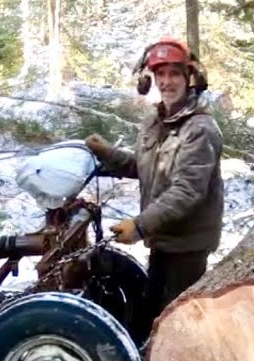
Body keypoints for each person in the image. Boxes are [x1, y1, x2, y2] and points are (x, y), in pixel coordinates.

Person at [84, 36, 224, 344]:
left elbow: (187, 191)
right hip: (163, 239)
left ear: (190, 78)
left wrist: (139, 225)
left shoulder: (199, 129)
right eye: (160, 74)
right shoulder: (156, 120)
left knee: (178, 327)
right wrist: (108, 154)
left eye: (174, 74)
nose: (166, 82)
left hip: (187, 245)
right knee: (153, 315)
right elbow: (145, 167)